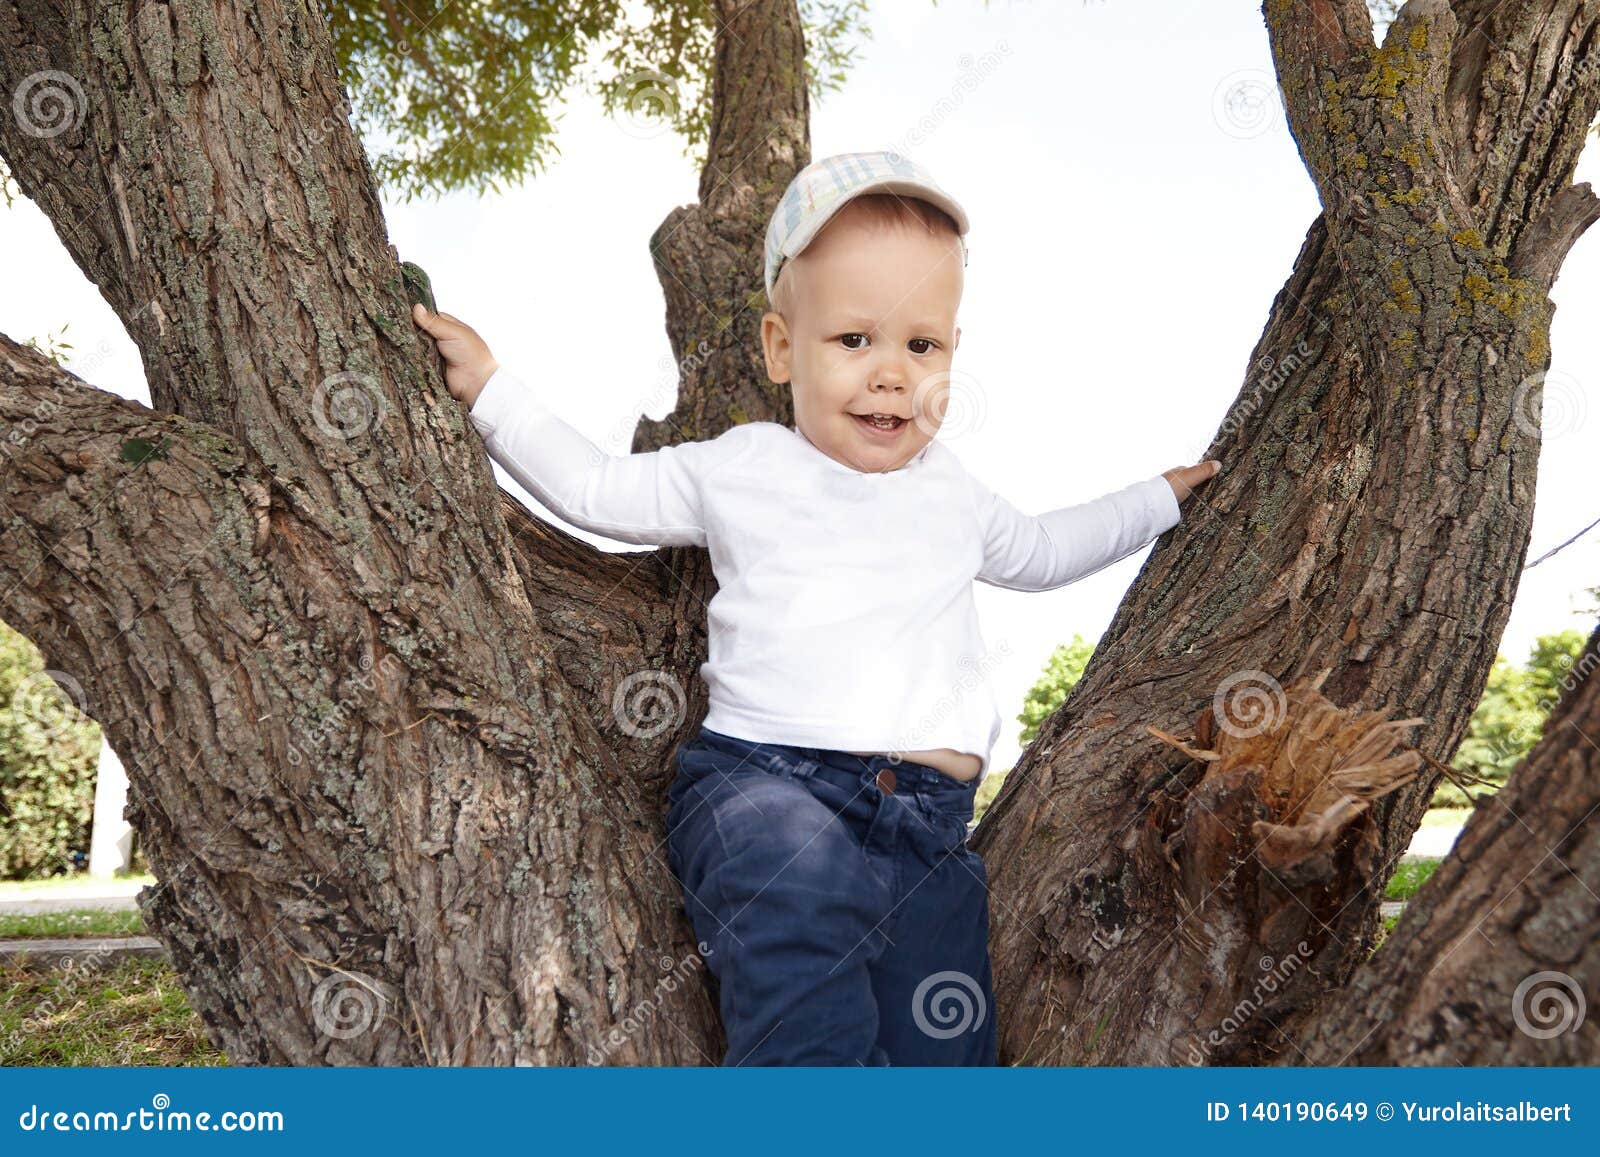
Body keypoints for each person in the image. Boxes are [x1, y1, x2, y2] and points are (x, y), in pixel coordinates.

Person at [411, 150, 1220, 1066]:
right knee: (808, 1003)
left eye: (923, 345)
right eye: (854, 341)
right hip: (767, 788)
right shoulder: (745, 465)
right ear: (779, 348)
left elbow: (1045, 548)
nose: (890, 375)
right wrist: (491, 389)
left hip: (925, 830)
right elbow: (598, 488)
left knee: (946, 1050)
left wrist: (1159, 498)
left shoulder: (953, 490)